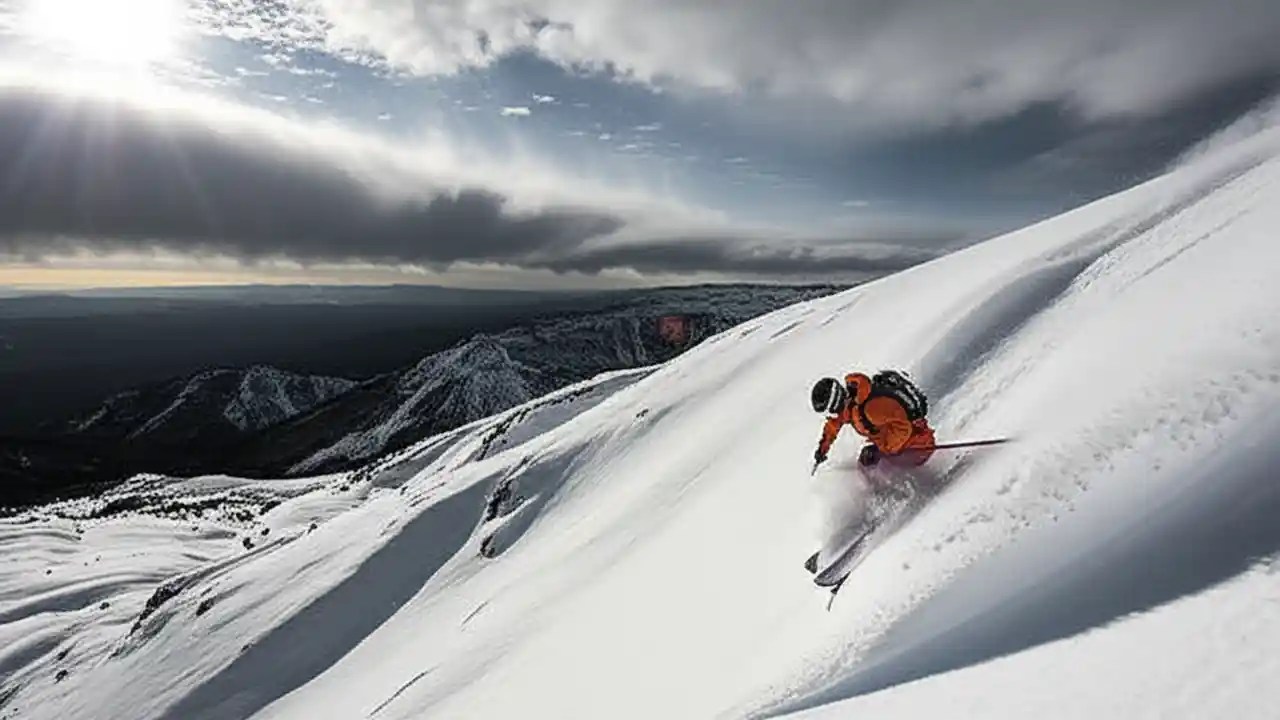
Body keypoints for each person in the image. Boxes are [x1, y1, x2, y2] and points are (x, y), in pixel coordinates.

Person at [811, 371, 936, 469]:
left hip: (917, 446)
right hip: (898, 445)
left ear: (835, 404)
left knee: (875, 469)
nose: (831, 415)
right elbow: (834, 424)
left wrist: (882, 450)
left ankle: (901, 495)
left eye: (829, 411)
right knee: (866, 465)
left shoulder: (871, 409)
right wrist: (823, 449)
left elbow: (903, 427)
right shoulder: (851, 404)